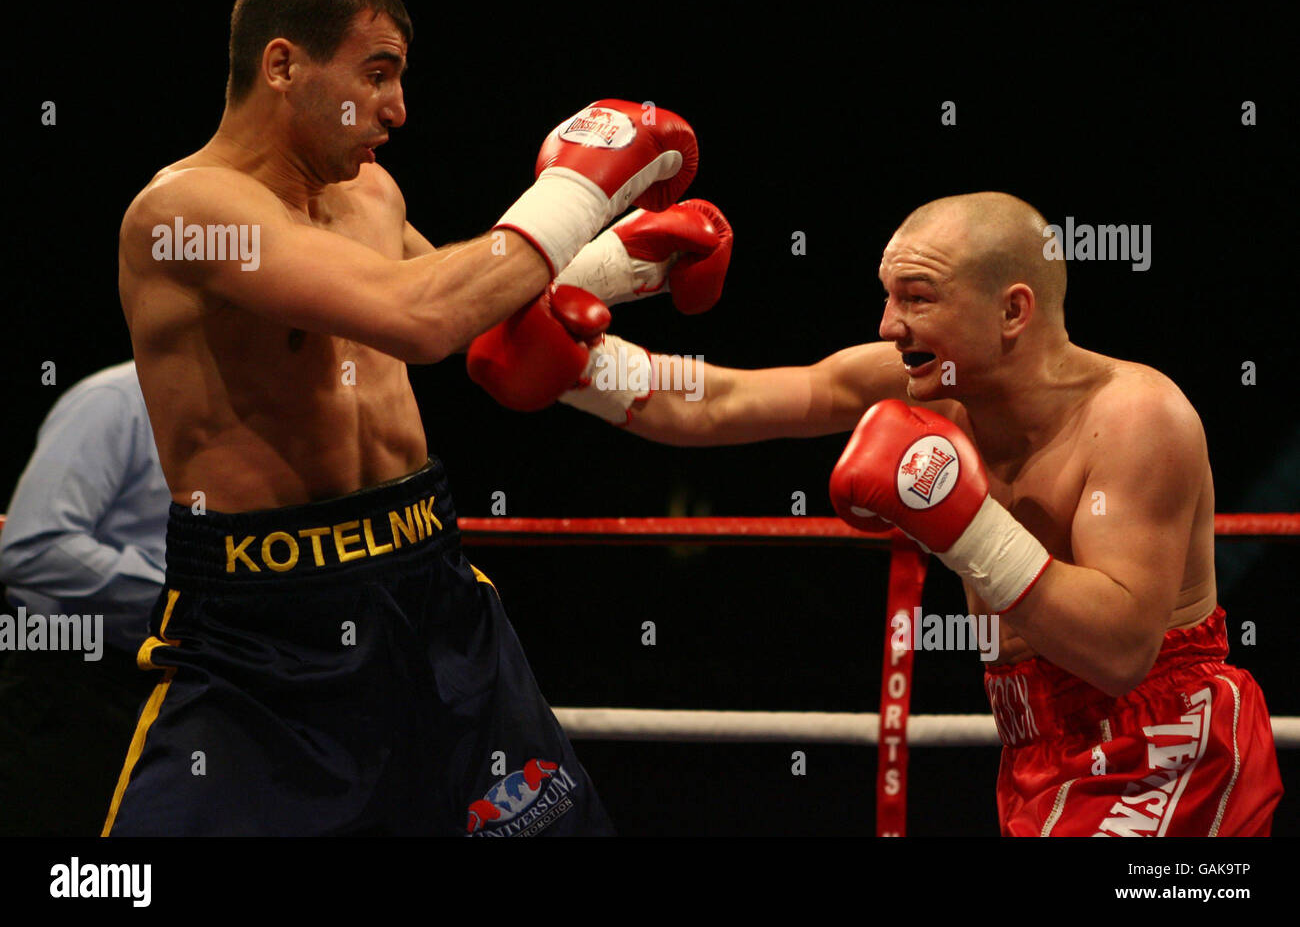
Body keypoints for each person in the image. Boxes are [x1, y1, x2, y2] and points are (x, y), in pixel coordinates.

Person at [104, 0, 728, 836]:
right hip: (267, 635)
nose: (397, 109)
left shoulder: (369, 194)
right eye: (377, 74)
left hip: (431, 587)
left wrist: (622, 263)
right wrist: (581, 186)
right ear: (282, 66)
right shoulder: (185, 212)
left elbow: (471, 309)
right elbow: (419, 317)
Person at [469, 190, 1284, 836]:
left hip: (1170, 744)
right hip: (1037, 743)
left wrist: (965, 526)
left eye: (917, 299)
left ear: (1013, 310)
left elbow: (1120, 652)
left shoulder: (1136, 418)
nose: (890, 326)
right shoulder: (923, 381)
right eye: (889, 297)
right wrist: (577, 367)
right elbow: (722, 400)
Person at [0, 360, 168, 834]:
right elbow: (33, 547)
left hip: (182, 682)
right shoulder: (115, 401)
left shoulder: (253, 409)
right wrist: (186, 593)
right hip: (74, 678)